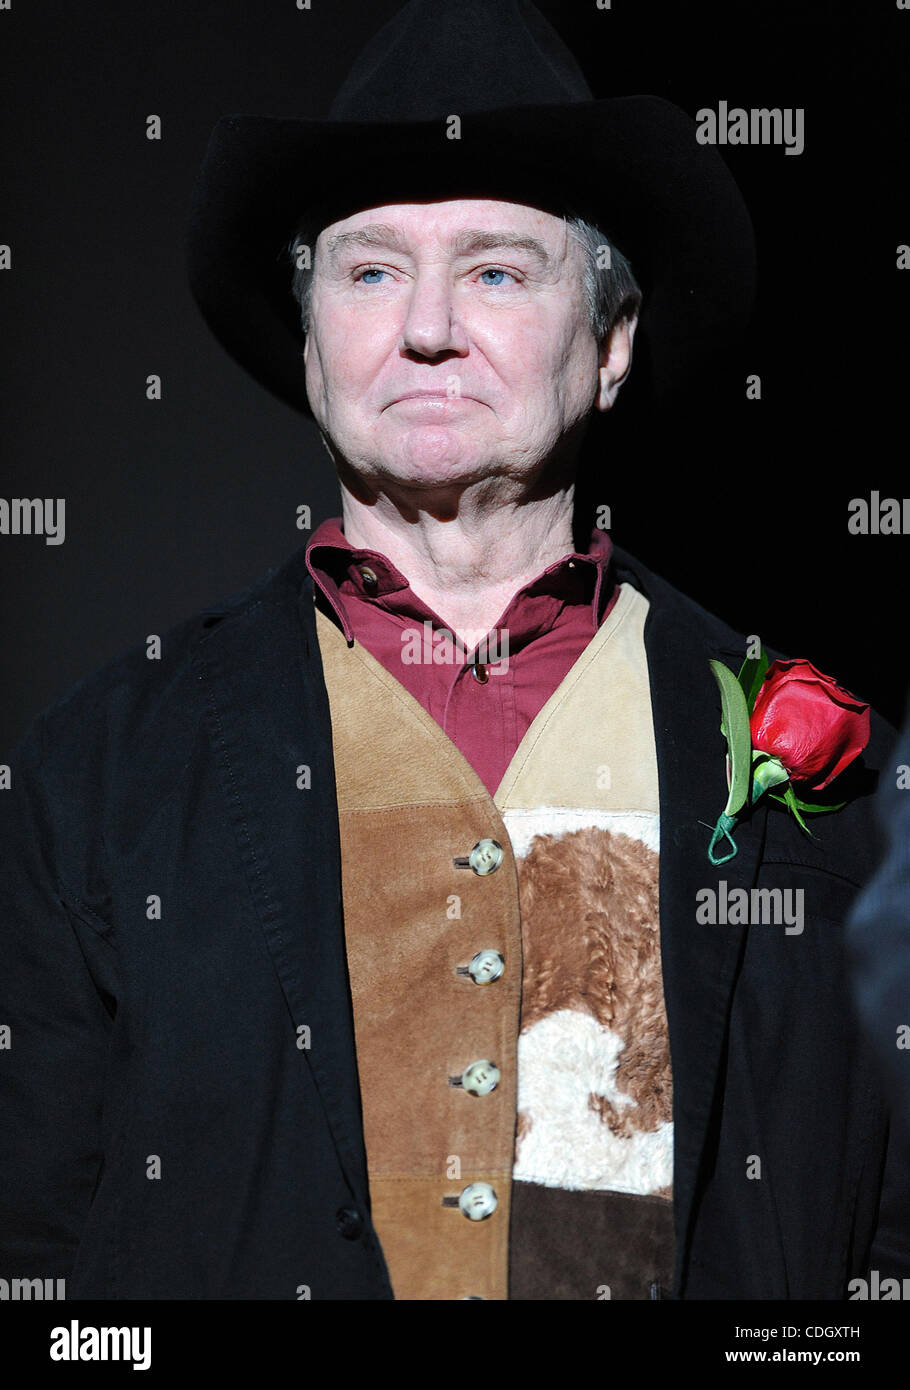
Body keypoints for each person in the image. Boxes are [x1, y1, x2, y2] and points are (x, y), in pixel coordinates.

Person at [1, 0, 906, 1300]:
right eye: (370, 271)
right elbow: (30, 1260)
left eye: (495, 269)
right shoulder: (89, 777)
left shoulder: (837, 773)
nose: (425, 325)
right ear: (312, 344)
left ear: (611, 344)